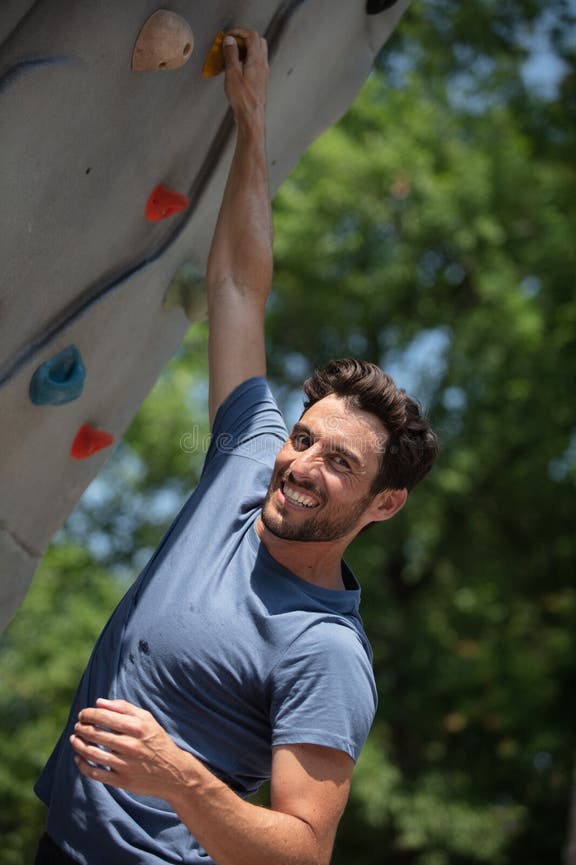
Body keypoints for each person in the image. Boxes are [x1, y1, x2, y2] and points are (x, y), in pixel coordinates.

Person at [34, 29, 438, 865]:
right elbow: (238, 288)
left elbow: (302, 852)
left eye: (340, 464)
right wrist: (252, 126)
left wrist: (178, 775)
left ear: (385, 503)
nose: (301, 466)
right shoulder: (248, 457)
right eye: (305, 438)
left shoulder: (324, 652)